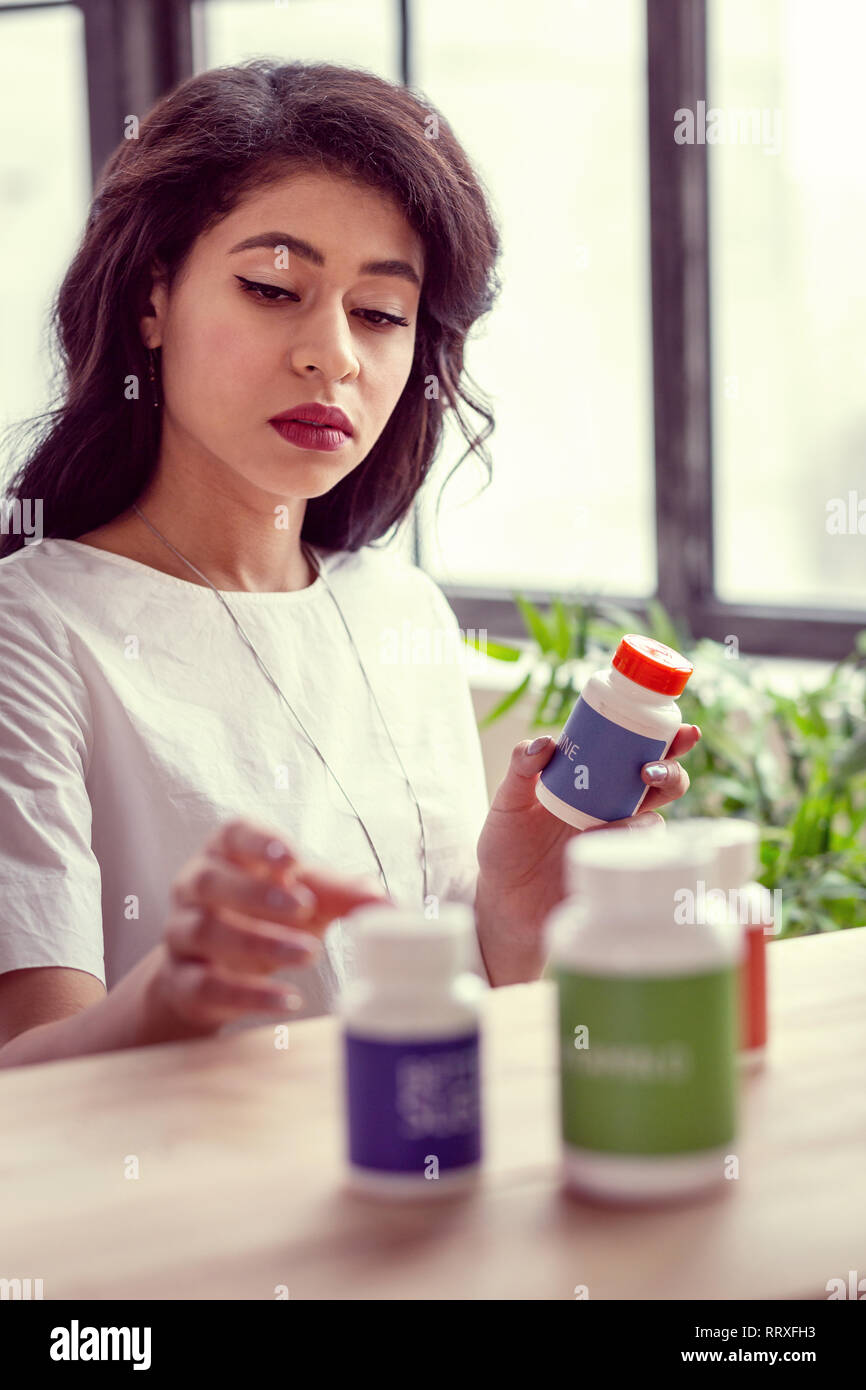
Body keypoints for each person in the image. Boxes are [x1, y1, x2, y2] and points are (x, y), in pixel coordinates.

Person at [0, 60, 697, 1068]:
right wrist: (167, 1000)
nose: (332, 354)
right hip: (183, 1215)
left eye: (378, 313)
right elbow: (23, 1074)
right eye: (273, 286)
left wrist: (509, 917)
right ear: (153, 300)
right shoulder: (34, 631)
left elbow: (444, 1007)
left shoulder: (396, 607)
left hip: (417, 1183)